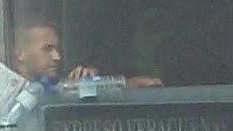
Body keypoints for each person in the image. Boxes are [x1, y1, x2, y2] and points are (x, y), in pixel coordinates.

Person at [10, 18, 161, 90]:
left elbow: (116, 88)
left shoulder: (57, 87)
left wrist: (87, 84)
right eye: (47, 49)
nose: (57, 57)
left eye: (57, 49)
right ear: (20, 53)